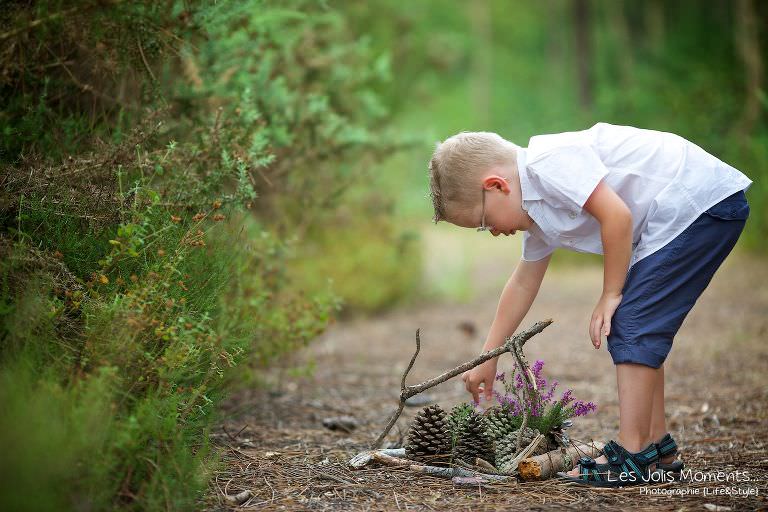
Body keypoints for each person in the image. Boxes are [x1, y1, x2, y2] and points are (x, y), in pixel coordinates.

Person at [427, 122, 752, 486]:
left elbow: (617, 215)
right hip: (681, 213)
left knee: (631, 322)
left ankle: (632, 454)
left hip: (697, 201)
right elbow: (522, 282)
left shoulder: (548, 164)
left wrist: (610, 294)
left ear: (496, 186)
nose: (494, 232)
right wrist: (489, 357)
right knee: (641, 324)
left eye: (484, 223)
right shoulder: (536, 215)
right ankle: (656, 447)